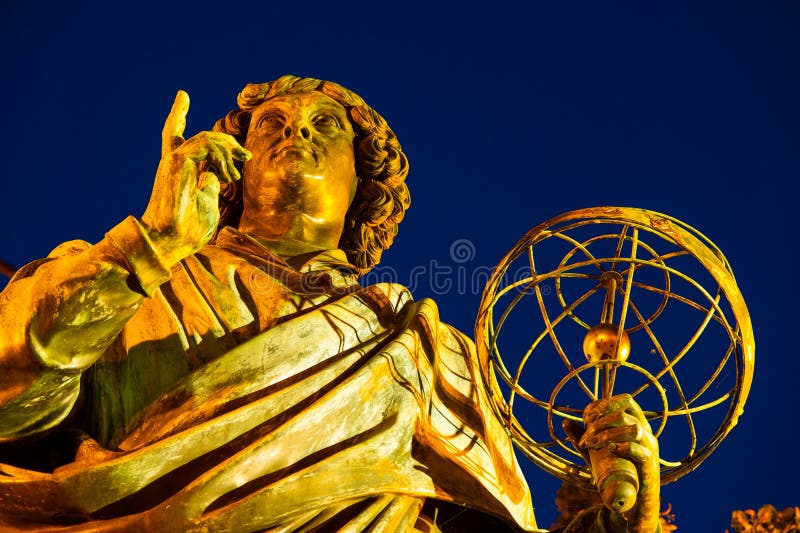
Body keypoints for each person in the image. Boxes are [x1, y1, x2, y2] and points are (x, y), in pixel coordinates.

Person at [0, 75, 660, 532]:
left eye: (326, 127)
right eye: (272, 127)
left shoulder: (429, 348)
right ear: (236, 163)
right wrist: (149, 247)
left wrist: (626, 503)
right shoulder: (136, 276)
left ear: (362, 180)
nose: (298, 134)